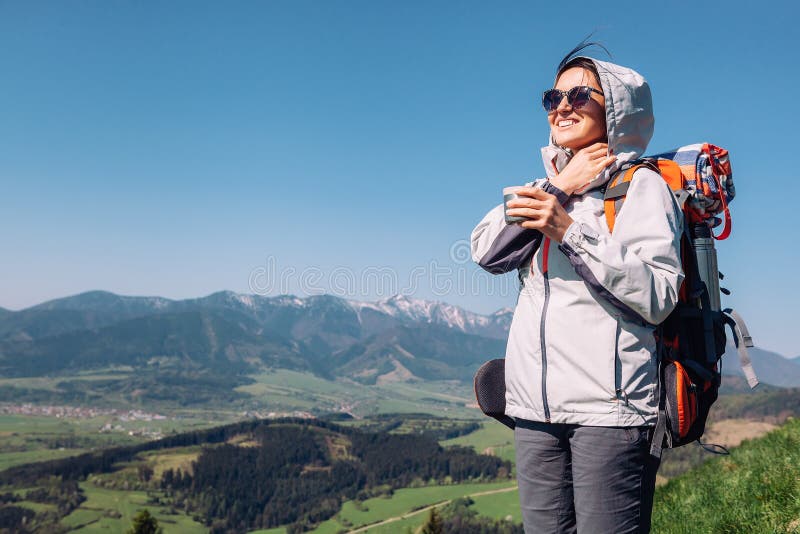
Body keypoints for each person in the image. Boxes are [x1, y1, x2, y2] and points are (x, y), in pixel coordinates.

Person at [470, 43, 684, 534]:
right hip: (532, 409)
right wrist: (560, 187)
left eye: (580, 94)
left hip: (610, 411)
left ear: (615, 107)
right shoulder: (541, 187)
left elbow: (657, 296)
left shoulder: (640, 186)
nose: (562, 106)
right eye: (553, 97)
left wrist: (568, 229)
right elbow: (487, 253)